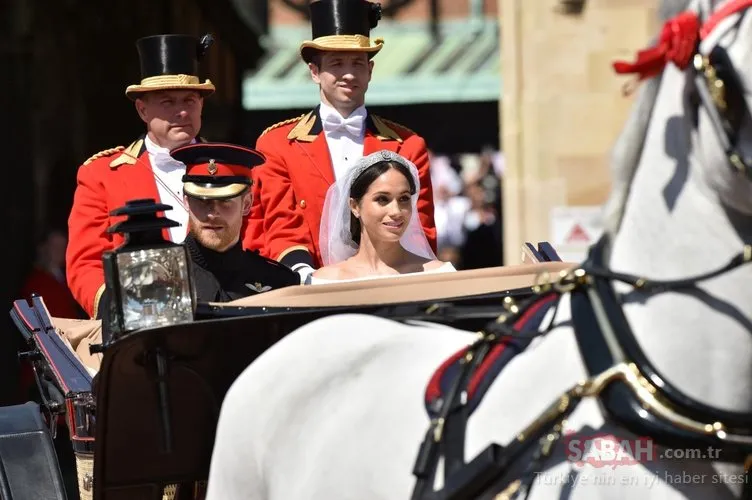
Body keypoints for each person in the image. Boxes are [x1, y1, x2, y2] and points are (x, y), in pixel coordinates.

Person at [244, 0, 437, 284]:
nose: (348, 74)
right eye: (336, 63)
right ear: (314, 72)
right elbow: (280, 224)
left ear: (370, 71)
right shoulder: (277, 145)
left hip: (389, 284)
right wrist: (307, 276)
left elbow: (420, 228)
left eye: (357, 64)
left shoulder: (408, 146)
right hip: (309, 287)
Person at [66, 33, 216, 319]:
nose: (182, 111)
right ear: (142, 109)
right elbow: (85, 264)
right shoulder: (101, 175)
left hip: (221, 319)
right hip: (140, 324)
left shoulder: (232, 167)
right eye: (167, 102)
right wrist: (121, 310)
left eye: (190, 99)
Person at [170, 142, 300, 301]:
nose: (212, 214)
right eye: (202, 201)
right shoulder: (163, 278)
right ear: (187, 202)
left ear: (246, 204)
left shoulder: (279, 281)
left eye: (225, 201)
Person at [309, 150, 455, 284]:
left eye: (404, 199)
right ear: (354, 206)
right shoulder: (325, 281)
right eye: (382, 199)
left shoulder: (439, 274)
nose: (396, 211)